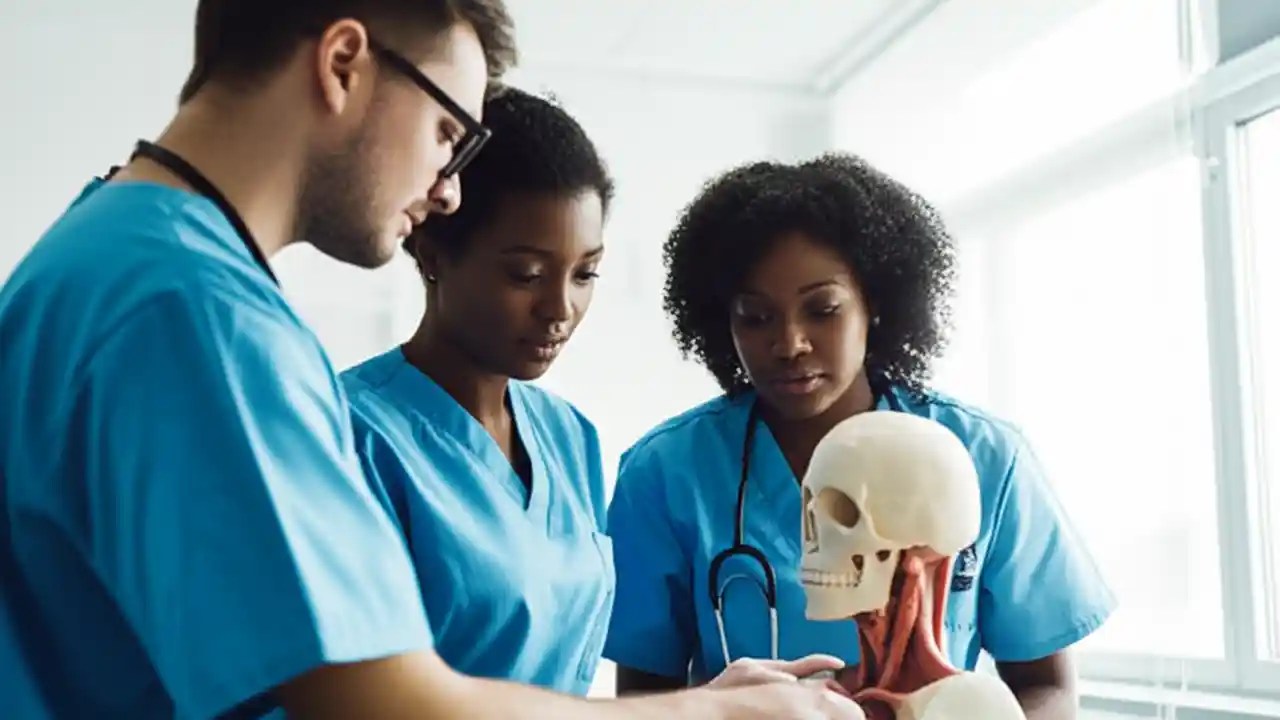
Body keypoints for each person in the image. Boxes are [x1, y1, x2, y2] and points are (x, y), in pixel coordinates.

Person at [0, 2, 863, 719]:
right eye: (447, 130)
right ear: (343, 62)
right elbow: (381, 703)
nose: (447, 188)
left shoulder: (109, 255)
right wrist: (701, 713)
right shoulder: (192, 310)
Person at [342, 83, 853, 703]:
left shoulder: (568, 437)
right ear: (432, 250)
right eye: (525, 274)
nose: (561, 309)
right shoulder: (349, 439)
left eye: (584, 274)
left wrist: (710, 698)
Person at [603, 153, 1118, 719]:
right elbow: (644, 700)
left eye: (822, 310)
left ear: (875, 303)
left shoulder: (984, 457)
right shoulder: (668, 472)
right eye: (755, 317)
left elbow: (1046, 686)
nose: (790, 342)